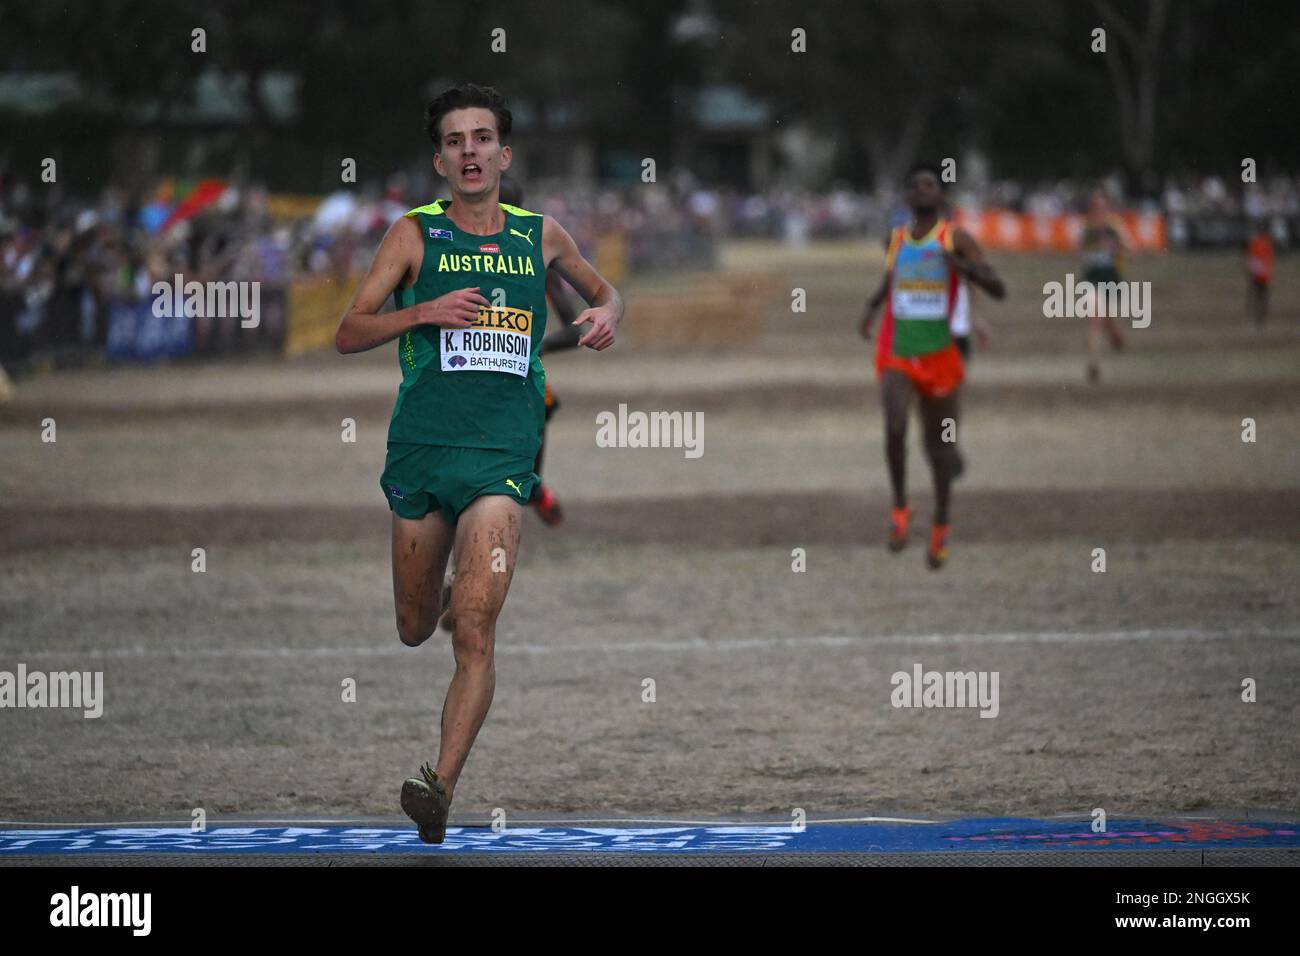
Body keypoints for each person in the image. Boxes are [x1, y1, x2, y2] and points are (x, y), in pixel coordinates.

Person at [334, 83, 623, 843]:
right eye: (456, 140)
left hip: (501, 456)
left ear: (504, 153)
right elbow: (349, 331)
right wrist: (424, 311)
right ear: (440, 158)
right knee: (414, 624)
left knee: (475, 629)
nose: (471, 151)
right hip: (423, 453)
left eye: (483, 137)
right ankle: (443, 592)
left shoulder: (543, 234)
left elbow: (605, 291)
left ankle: (440, 786)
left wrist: (605, 314)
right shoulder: (412, 235)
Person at [859, 162, 1005, 569]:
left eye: (931, 185)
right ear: (909, 198)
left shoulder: (956, 239)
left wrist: (966, 268)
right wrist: (871, 309)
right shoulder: (894, 239)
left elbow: (999, 288)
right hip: (899, 350)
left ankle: (941, 525)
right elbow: (893, 280)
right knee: (894, 425)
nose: (923, 189)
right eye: (916, 185)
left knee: (938, 450)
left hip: (942, 353)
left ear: (941, 198)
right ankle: (900, 509)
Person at [1080, 189, 1128, 383]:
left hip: (1111, 277)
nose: (1098, 209)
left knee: (1108, 320)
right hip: (1092, 279)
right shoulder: (1086, 228)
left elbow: (1126, 249)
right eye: (1095, 205)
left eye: (1101, 205)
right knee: (1095, 320)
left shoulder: (1114, 226)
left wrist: (1114, 245)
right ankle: (1093, 364)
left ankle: (1116, 335)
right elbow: (1081, 254)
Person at [1245, 223, 1274, 325]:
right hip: (1264, 273)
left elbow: (1252, 259)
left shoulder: (1256, 243)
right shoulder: (1266, 243)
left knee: (1256, 295)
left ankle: (1256, 315)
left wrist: (1251, 271)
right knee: (1262, 296)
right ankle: (1260, 316)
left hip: (1258, 273)